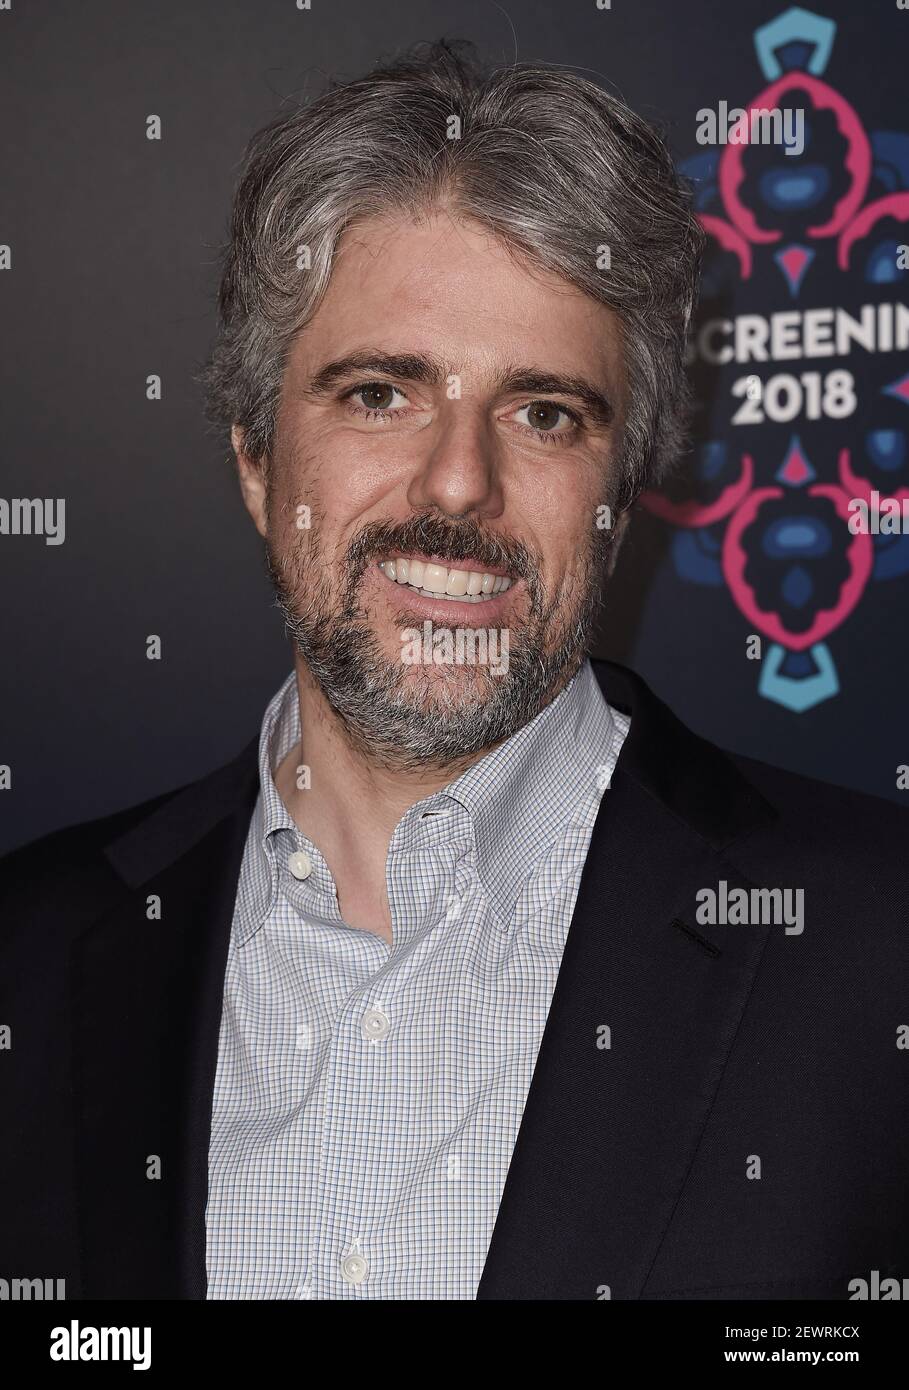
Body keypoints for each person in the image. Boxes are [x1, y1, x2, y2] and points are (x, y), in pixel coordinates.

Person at [1, 40, 906, 1302]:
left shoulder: (875, 947)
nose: (459, 482)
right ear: (258, 462)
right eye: (380, 394)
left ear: (622, 491)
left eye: (545, 414)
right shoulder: (32, 959)